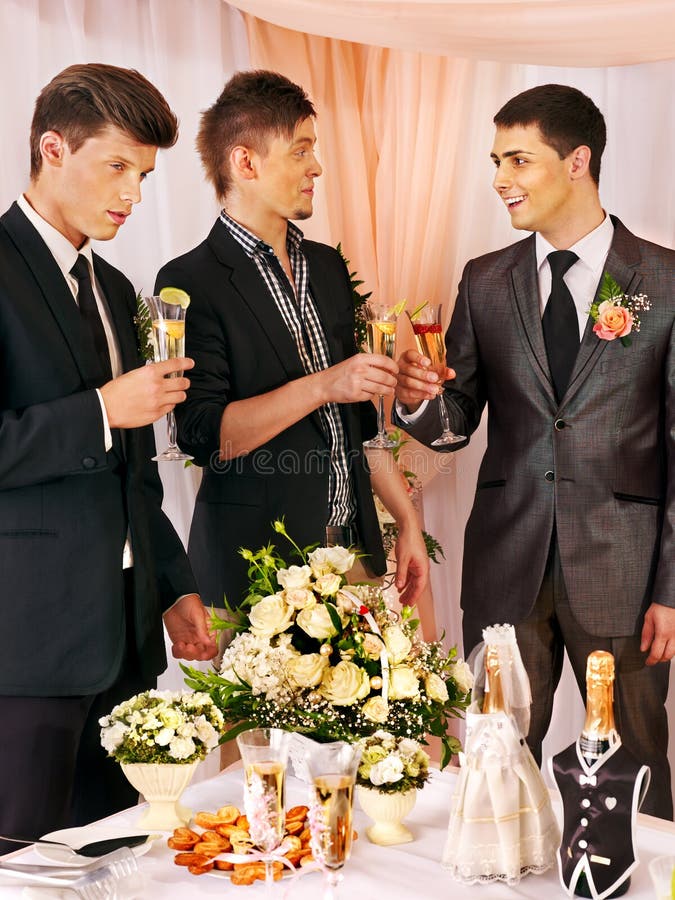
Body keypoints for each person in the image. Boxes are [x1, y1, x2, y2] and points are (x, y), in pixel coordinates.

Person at [394, 83, 674, 819]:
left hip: (624, 567)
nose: (499, 179)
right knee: (493, 752)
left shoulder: (667, 282)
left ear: (577, 161)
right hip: (504, 562)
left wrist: (671, 590)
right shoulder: (485, 282)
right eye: (494, 161)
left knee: (635, 760)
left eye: (518, 159)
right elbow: (453, 421)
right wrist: (417, 397)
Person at [0, 63, 217, 850]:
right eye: (116, 166)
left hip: (125, 643)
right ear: (52, 148)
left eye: (144, 175)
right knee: (19, 867)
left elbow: (136, 472)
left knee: (122, 859)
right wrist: (100, 410)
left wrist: (173, 587)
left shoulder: (117, 284)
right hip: (25, 643)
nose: (130, 193)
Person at [155, 70, 428, 619]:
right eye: (301, 150)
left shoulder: (327, 267)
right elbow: (205, 436)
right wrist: (328, 382)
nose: (317, 167)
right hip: (258, 573)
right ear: (245, 162)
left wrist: (409, 522)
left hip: (356, 561)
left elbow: (362, 423)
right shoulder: (191, 281)